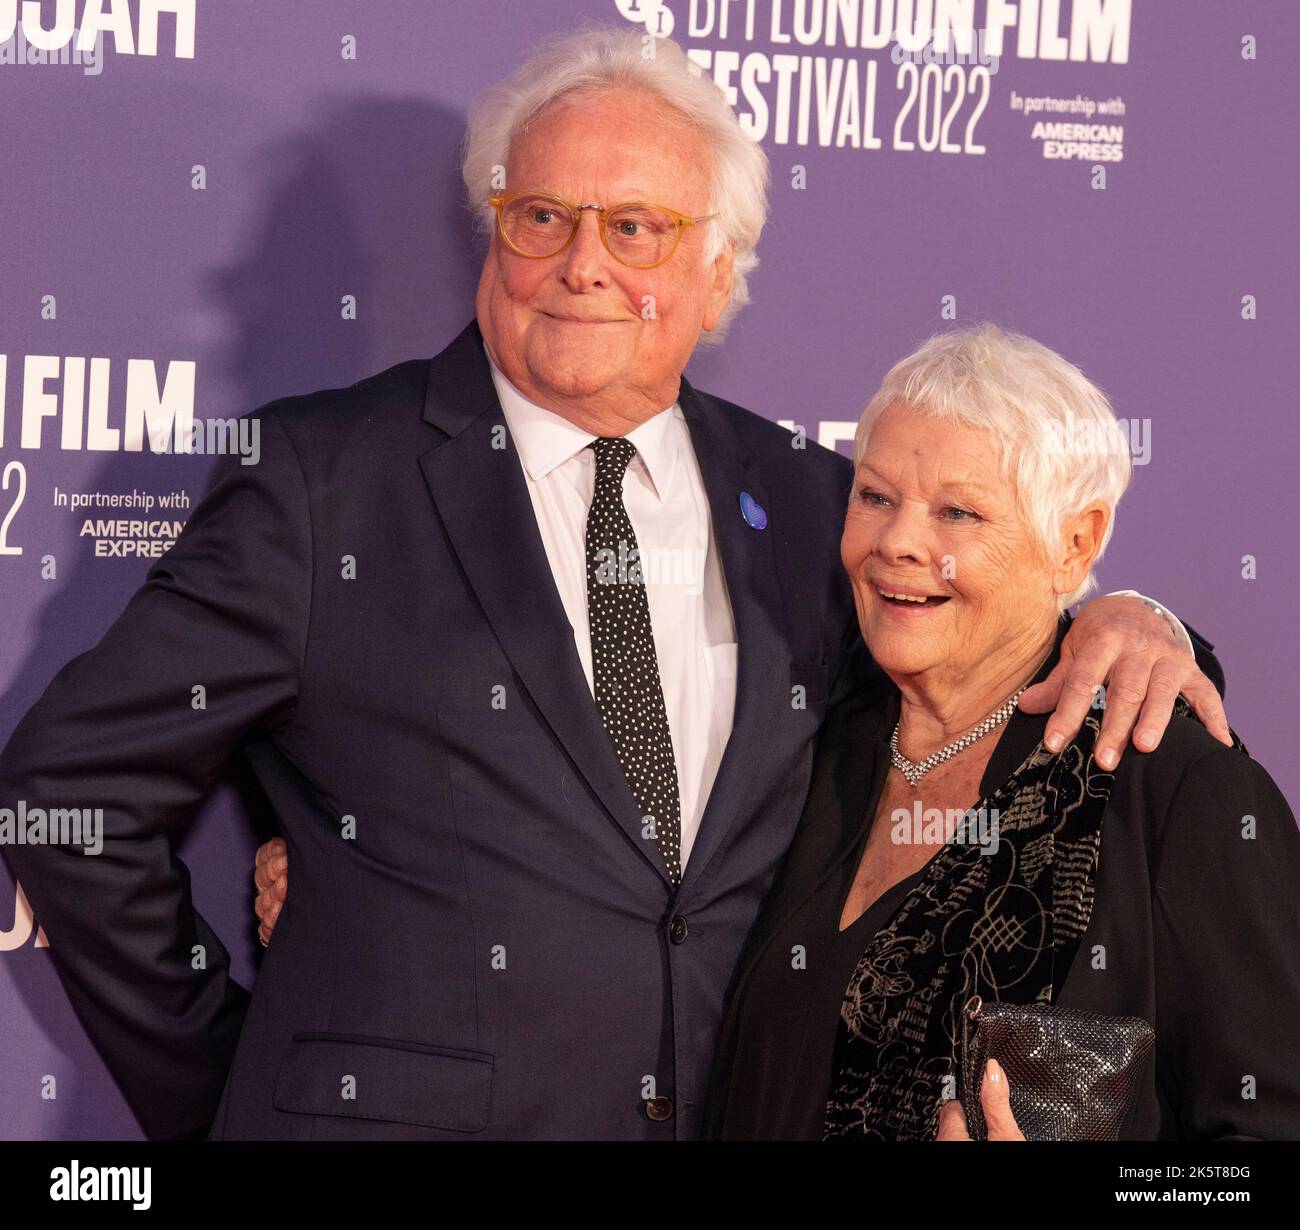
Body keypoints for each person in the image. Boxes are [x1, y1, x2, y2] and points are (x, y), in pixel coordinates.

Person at [0, 28, 1227, 1142]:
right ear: (493, 234)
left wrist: (1140, 619)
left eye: (634, 227)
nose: (580, 263)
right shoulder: (324, 483)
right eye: (539, 216)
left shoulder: (814, 502)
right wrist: (234, 1083)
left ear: (718, 270)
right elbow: (73, 790)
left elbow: (980, 669)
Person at [696, 325, 1300, 1141]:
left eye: (959, 512)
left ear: (1076, 543)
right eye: (875, 497)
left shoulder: (1175, 792)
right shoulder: (810, 739)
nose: (899, 543)